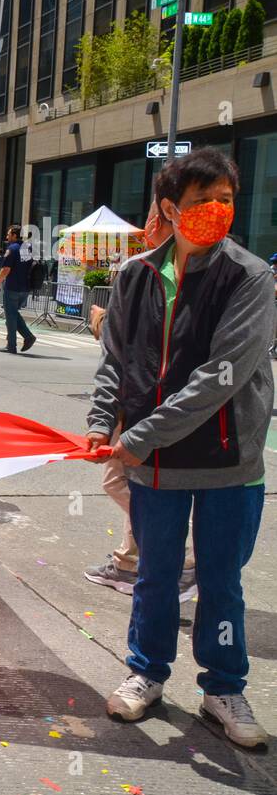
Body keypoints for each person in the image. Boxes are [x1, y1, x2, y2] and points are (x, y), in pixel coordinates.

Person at [88, 149, 274, 748]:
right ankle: (146, 672)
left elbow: (223, 375)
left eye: (225, 199)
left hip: (227, 463)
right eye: (201, 202)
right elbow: (115, 360)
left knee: (221, 580)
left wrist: (137, 437)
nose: (216, 211)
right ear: (170, 208)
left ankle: (223, 687)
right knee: (155, 576)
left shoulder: (249, 277)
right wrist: (101, 421)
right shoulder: (135, 276)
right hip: (156, 469)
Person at [85, 202, 197, 601]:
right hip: (133, 405)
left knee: (124, 482)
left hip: (154, 411)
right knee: (125, 481)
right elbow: (120, 351)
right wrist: (100, 419)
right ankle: (132, 561)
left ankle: (174, 560)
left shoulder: (207, 276)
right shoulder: (141, 271)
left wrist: (101, 321)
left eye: (154, 216)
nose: (146, 224)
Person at [0, 224, 37, 354]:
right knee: (14, 313)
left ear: (15, 235)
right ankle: (28, 337)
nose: (7, 236)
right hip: (25, 288)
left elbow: (5, 269)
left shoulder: (13, 248)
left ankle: (12, 345)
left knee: (10, 316)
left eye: (9, 234)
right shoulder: (28, 248)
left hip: (13, 287)